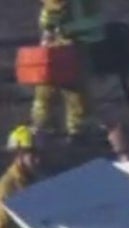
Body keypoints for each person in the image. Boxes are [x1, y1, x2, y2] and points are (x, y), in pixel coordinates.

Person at [33, 0, 106, 144]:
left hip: (67, 37)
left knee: (48, 86)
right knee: (80, 86)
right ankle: (82, 128)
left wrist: (48, 28)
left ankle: (45, 128)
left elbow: (54, 6)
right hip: (90, 36)